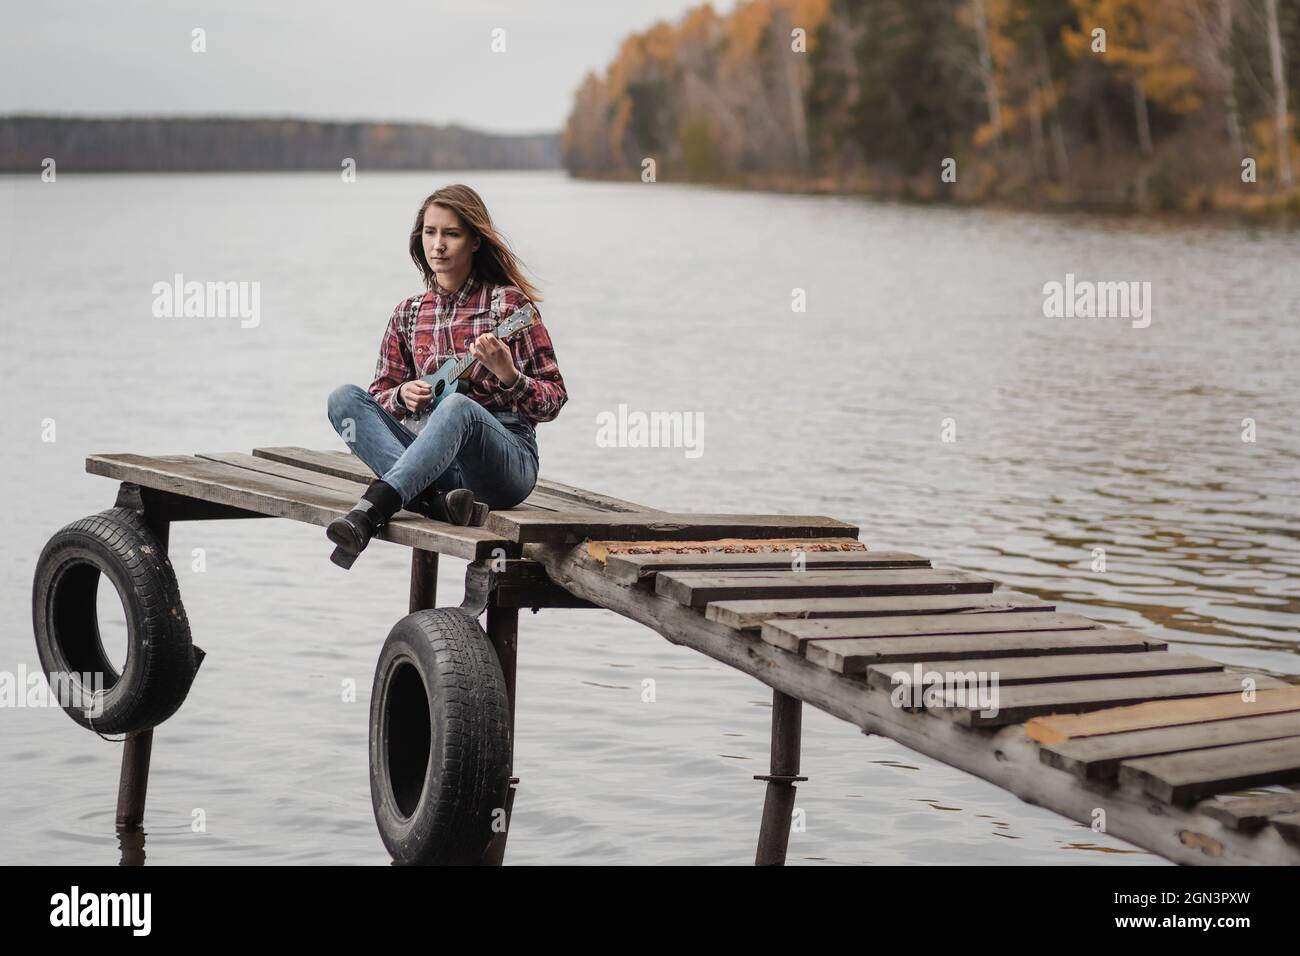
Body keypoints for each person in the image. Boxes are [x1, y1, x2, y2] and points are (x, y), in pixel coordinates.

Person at [324, 184, 568, 569]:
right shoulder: (408, 313)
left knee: (457, 405)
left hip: (503, 467)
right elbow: (379, 393)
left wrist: (509, 375)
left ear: (474, 241)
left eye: (451, 234)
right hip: (436, 467)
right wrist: (402, 394)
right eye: (430, 232)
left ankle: (370, 512)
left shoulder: (509, 306)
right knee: (343, 400)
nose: (438, 244)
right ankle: (433, 503)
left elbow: (554, 398)